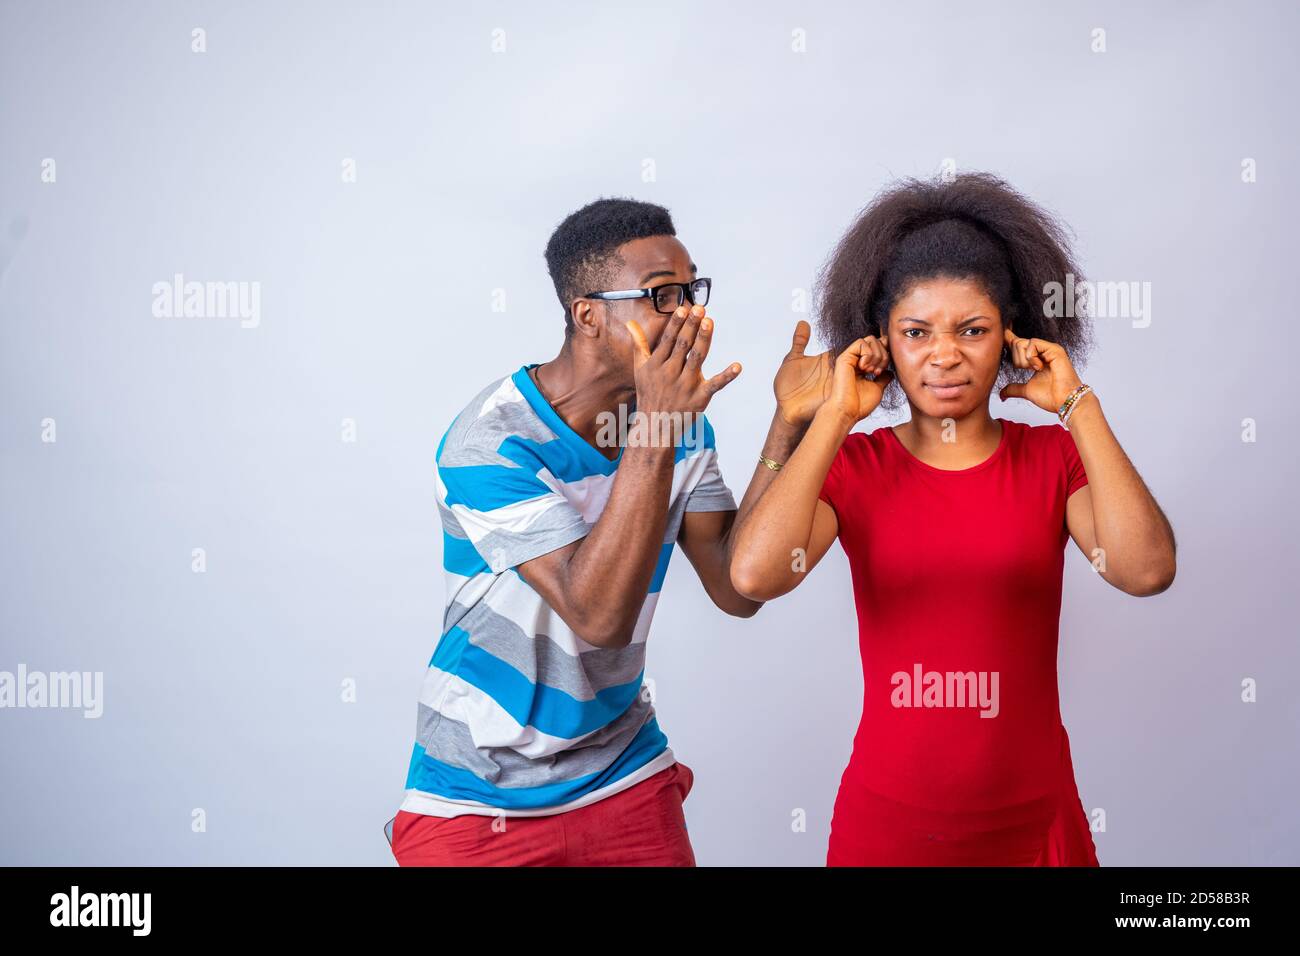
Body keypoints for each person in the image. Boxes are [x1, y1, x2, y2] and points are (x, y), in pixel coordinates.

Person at [728, 172, 1177, 866]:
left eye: (972, 330)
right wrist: (835, 415)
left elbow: (1146, 570)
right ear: (881, 343)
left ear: (1010, 337)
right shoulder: (856, 464)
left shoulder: (1054, 458)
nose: (944, 354)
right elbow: (754, 574)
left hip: (1034, 823)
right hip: (889, 826)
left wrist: (1077, 404)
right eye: (916, 333)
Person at [385, 197, 810, 865]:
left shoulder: (681, 423)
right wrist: (659, 428)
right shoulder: (491, 443)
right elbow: (599, 614)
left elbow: (737, 587)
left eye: (691, 289)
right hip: (476, 795)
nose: (690, 313)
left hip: (624, 770)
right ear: (588, 315)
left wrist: (789, 423)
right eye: (661, 295)